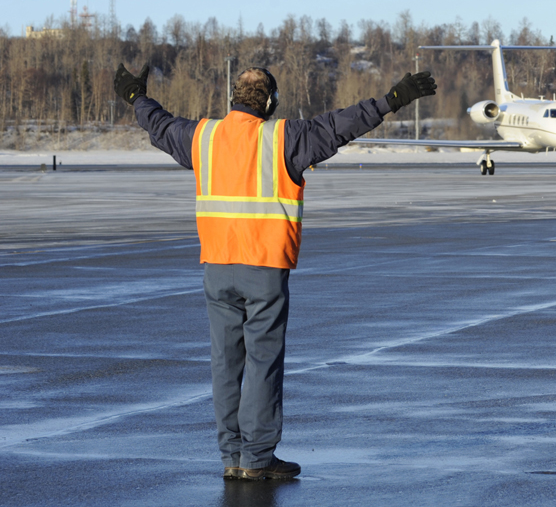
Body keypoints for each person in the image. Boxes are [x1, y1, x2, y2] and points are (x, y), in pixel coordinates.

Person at [114, 63, 436, 480]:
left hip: (217, 265)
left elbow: (159, 125)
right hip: (264, 266)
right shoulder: (285, 137)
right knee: (262, 362)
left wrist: (136, 97)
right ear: (269, 101)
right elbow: (342, 125)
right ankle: (257, 458)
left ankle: (231, 456)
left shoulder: (203, 137)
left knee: (224, 363)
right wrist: (393, 99)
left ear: (234, 97)